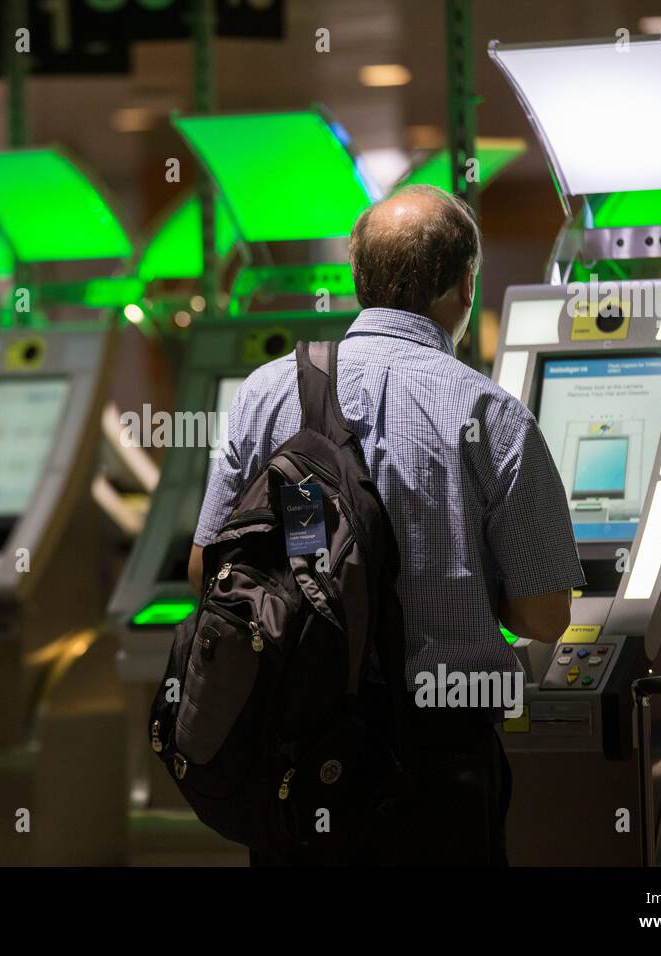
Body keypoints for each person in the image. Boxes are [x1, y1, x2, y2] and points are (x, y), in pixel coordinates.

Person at [188, 184, 585, 865]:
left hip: (291, 753)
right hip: (436, 764)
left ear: (358, 279)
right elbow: (546, 617)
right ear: (465, 286)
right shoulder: (492, 416)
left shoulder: (263, 393)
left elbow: (206, 570)